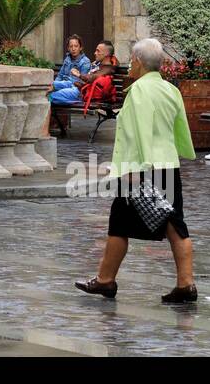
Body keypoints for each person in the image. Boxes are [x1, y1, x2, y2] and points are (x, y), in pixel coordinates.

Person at [76, 37, 197, 304]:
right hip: (167, 163)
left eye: (132, 60)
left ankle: (106, 281)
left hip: (141, 168)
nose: (130, 64)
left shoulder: (139, 91)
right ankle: (186, 284)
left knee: (119, 224)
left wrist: (138, 170)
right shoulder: (170, 90)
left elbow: (140, 130)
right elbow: (180, 129)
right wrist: (180, 154)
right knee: (174, 222)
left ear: (139, 63)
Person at [50, 39, 114, 108]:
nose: (95, 53)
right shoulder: (99, 64)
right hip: (79, 88)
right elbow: (60, 75)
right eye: (71, 46)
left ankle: (46, 117)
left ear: (106, 55)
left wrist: (79, 75)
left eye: (98, 51)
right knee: (50, 87)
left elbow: (92, 78)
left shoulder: (107, 68)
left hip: (82, 93)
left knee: (50, 96)